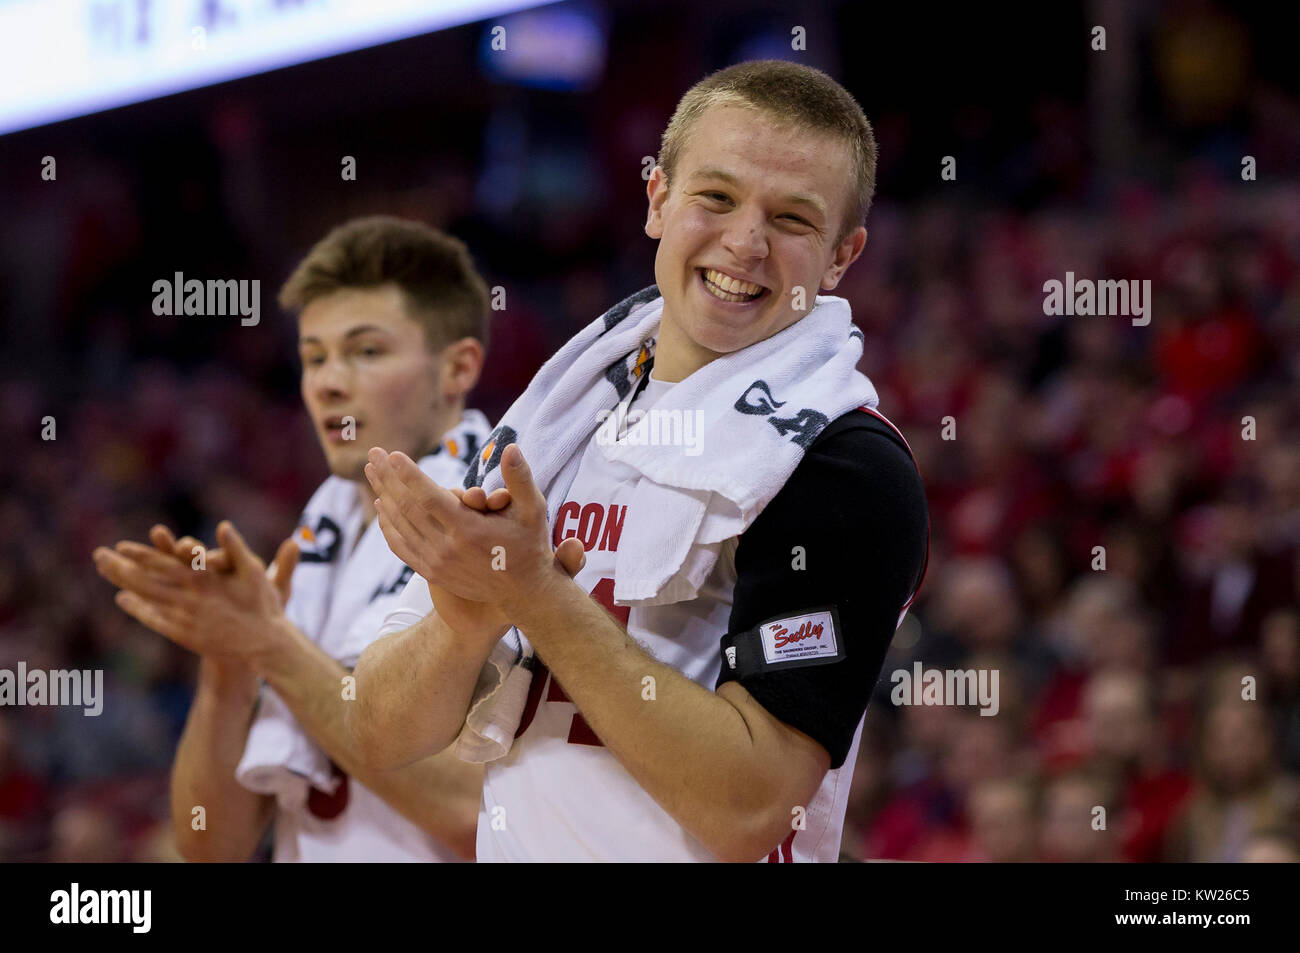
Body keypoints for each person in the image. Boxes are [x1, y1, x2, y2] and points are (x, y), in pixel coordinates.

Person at [350, 61, 929, 862]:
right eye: (716, 197)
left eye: (793, 219)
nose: (745, 242)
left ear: (841, 256)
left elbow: (750, 805)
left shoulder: (843, 464)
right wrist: (465, 615)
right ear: (658, 199)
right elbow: (375, 730)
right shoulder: (561, 412)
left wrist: (535, 592)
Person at [92, 216, 552, 861]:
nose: (328, 382)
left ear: (458, 368)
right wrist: (228, 663)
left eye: (366, 351)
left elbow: (470, 813)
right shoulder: (320, 536)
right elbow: (212, 845)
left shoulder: (497, 522)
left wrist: (272, 647)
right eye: (313, 356)